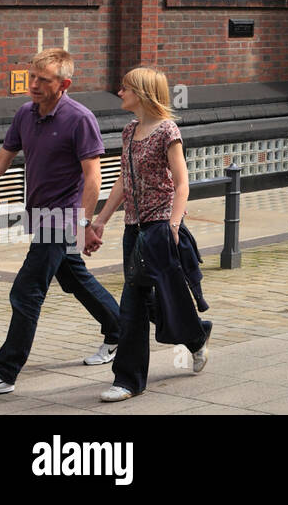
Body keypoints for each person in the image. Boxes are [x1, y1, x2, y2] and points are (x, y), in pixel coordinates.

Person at [0, 50, 121, 398]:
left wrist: (85, 223)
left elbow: (93, 178)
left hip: (63, 217)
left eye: (43, 80)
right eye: (32, 77)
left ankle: (4, 372)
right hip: (40, 214)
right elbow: (0, 160)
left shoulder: (80, 118)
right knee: (75, 279)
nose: (33, 85)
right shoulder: (25, 114)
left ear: (64, 84)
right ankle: (123, 330)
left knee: (26, 290)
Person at [89, 67, 211, 402]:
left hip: (159, 229)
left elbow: (182, 184)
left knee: (135, 302)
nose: (119, 93)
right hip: (134, 228)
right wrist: (101, 220)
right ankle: (196, 336)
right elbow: (123, 180)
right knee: (145, 299)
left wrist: (173, 225)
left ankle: (128, 380)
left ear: (142, 93)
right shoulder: (129, 131)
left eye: (125, 88)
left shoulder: (167, 131)